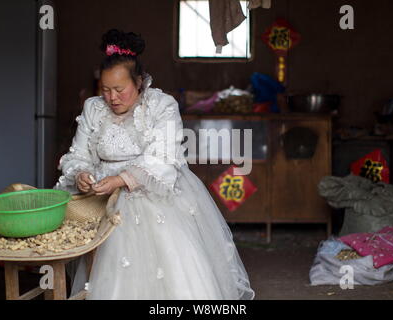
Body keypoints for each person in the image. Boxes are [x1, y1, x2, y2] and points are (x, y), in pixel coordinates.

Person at [54, 29, 255, 300]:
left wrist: (120, 180)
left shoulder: (161, 105)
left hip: (154, 192)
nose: (112, 98)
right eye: (105, 90)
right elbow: (78, 154)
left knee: (172, 266)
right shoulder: (93, 108)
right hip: (101, 196)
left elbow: (163, 158)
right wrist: (81, 173)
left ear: (138, 83)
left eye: (120, 90)